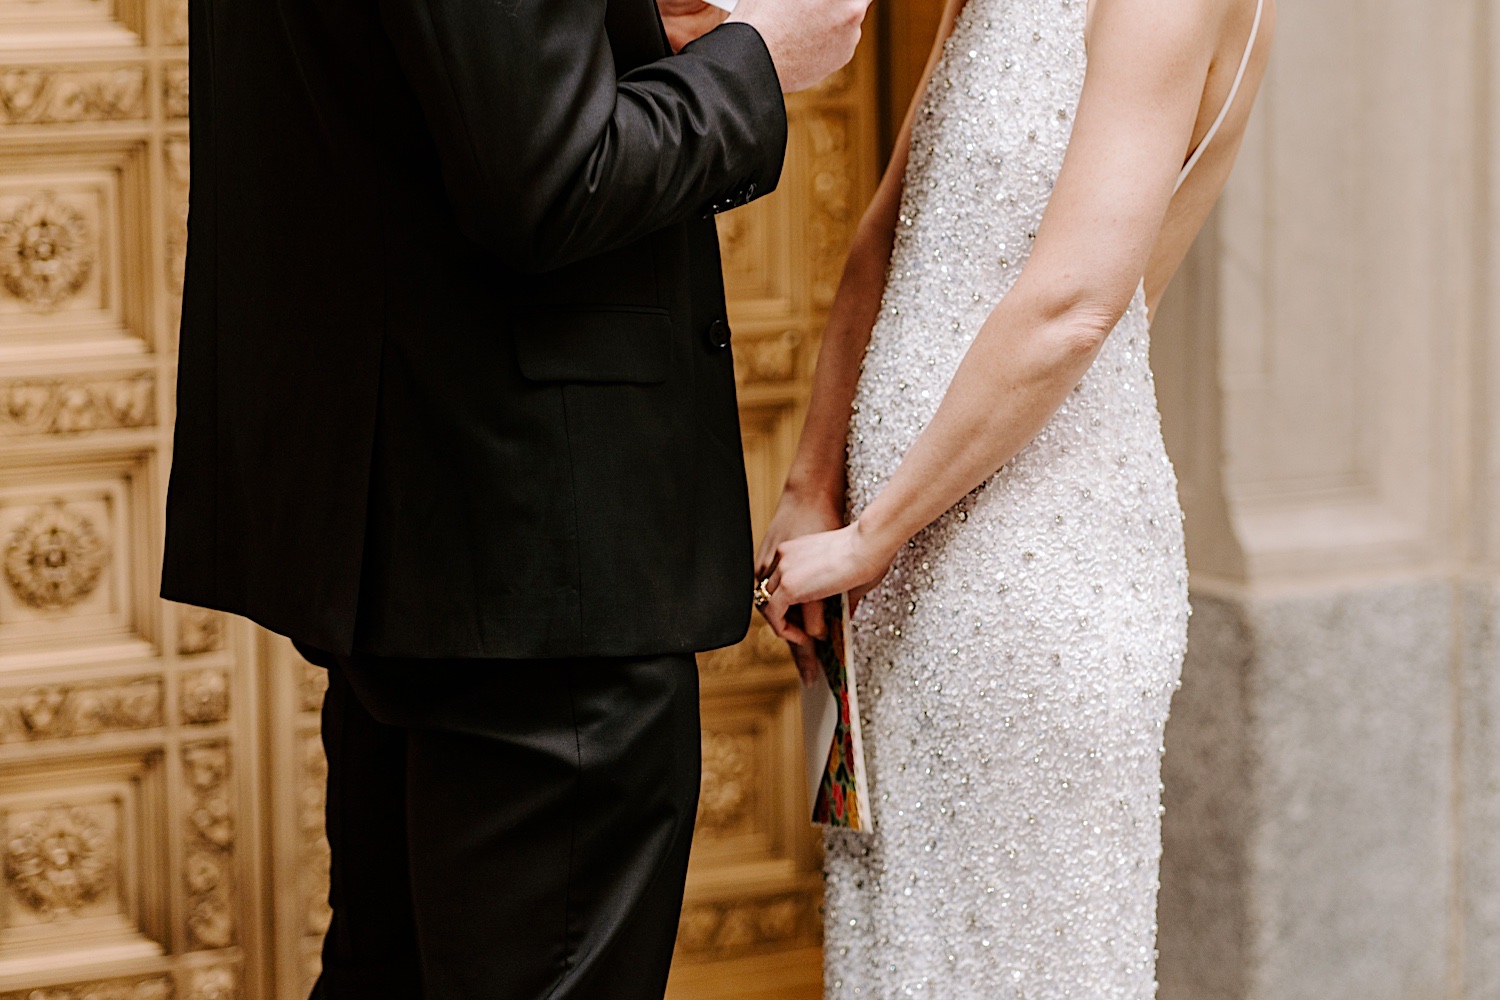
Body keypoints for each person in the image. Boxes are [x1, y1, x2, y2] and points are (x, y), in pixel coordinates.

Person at [159, 0, 872, 995]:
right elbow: (555, 177)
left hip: (408, 519)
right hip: (537, 549)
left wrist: (626, 27)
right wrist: (758, 63)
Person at [754, 0, 1274, 994]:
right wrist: (811, 484)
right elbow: (888, 235)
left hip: (1034, 575)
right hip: (890, 581)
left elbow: (1073, 308)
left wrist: (872, 533)